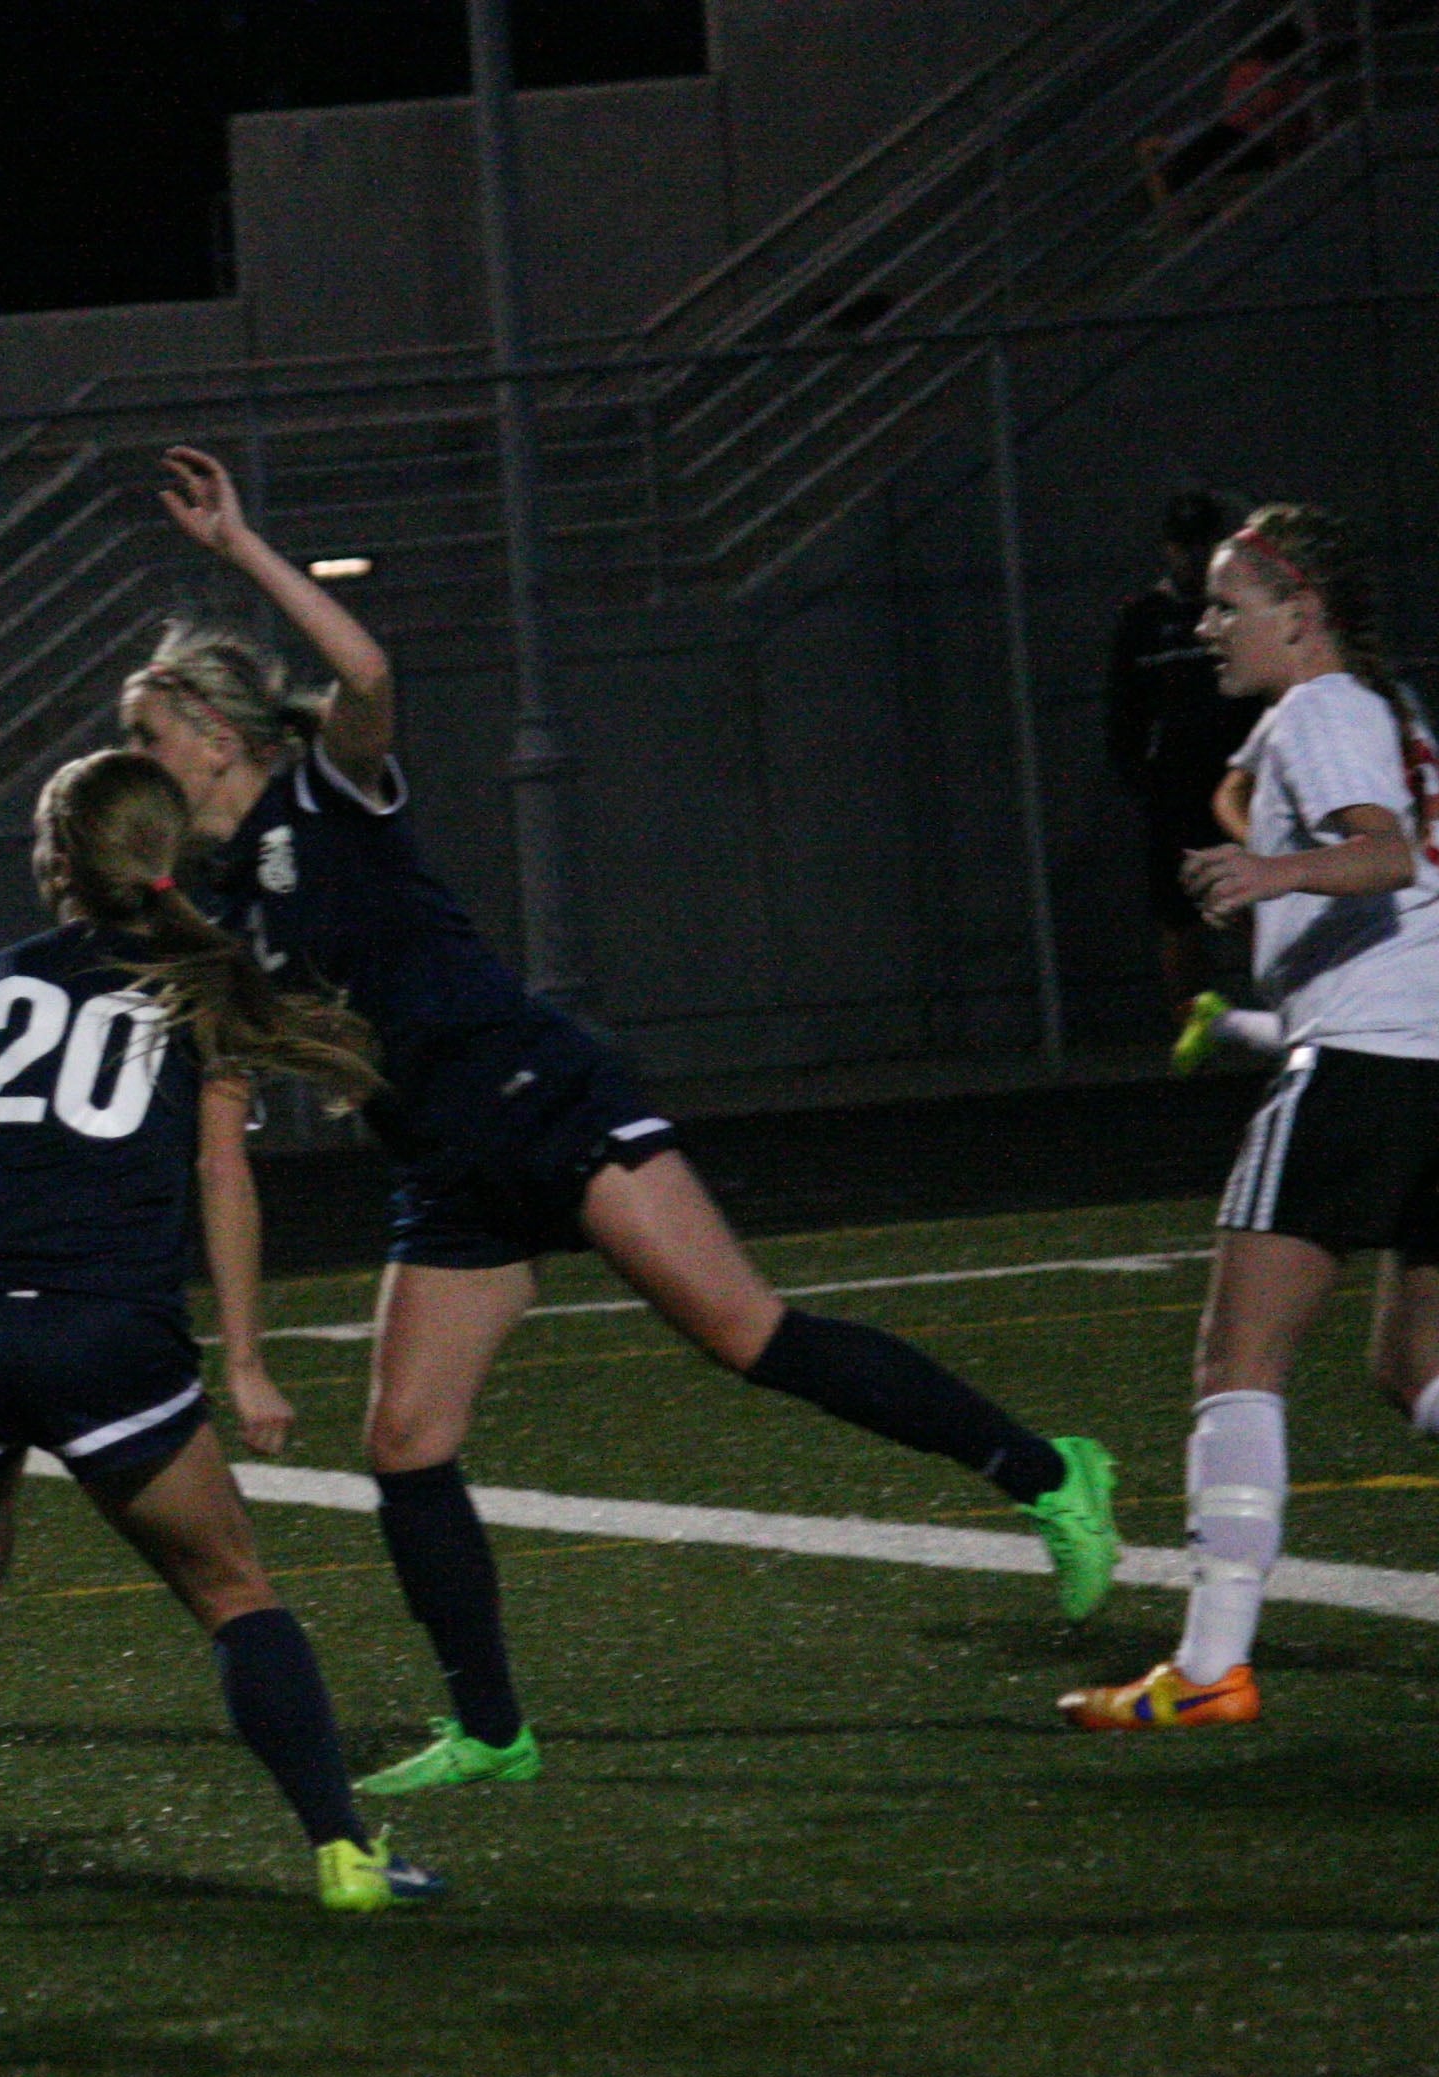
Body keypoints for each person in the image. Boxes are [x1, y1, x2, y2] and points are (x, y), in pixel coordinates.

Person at [132, 446, 1124, 1796]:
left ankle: (1045, 1467)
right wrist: (241, 1356)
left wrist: (242, 549)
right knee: (406, 1442)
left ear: (218, 730)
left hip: (541, 1100)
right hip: (443, 1172)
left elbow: (365, 680)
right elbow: (221, 1149)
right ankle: (492, 1731)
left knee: (745, 1333)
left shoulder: (328, 788)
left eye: (147, 733)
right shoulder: (227, 917)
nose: (138, 761)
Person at [0, 750, 444, 1924]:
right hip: (107, 1338)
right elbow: (220, 1172)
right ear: (168, 851)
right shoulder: (205, 985)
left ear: (54, 858)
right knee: (235, 1588)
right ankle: (344, 1850)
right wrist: (245, 1356)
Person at [1066, 504, 1439, 1730]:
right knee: (1417, 1367)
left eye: (1230, 604)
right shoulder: (1389, 710)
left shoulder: (1324, 708)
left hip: (1366, 1060)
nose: (1208, 625)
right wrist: (1268, 874)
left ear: (1302, 615)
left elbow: (1382, 857)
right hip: (1433, 1051)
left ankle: (1212, 1663)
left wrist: (1269, 871)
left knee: (1238, 1362)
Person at [1106, 490, 1260, 1031]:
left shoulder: (1237, 610)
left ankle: (1291, 1007)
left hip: (1239, 785)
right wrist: (1142, 783)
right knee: (1179, 914)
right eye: (1183, 546)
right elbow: (1123, 714)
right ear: (1167, 549)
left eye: (1203, 545)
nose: (1192, 558)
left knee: (1256, 900)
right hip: (1175, 793)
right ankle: (1191, 1028)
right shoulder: (1144, 619)